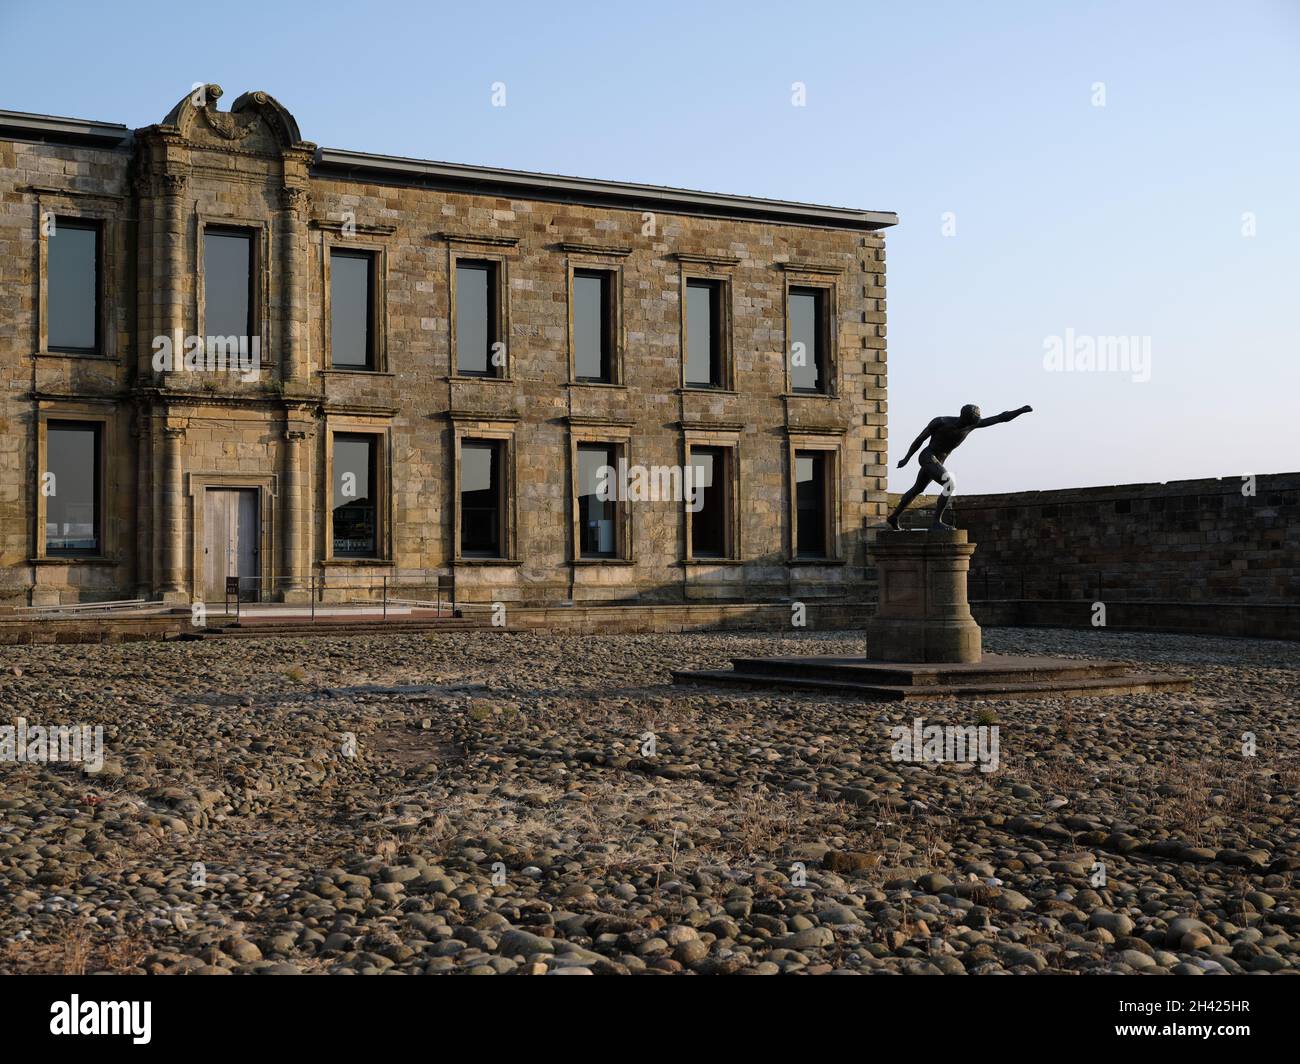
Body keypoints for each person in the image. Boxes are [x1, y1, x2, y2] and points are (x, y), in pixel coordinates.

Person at [886, 404, 1033, 530]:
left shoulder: (972, 424)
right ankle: (936, 522)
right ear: (962, 417)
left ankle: (894, 517)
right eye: (966, 423)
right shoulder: (940, 422)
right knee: (949, 484)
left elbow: (1000, 418)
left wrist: (1020, 410)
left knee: (917, 489)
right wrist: (906, 458)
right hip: (928, 456)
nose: (966, 426)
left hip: (939, 461)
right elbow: (919, 440)